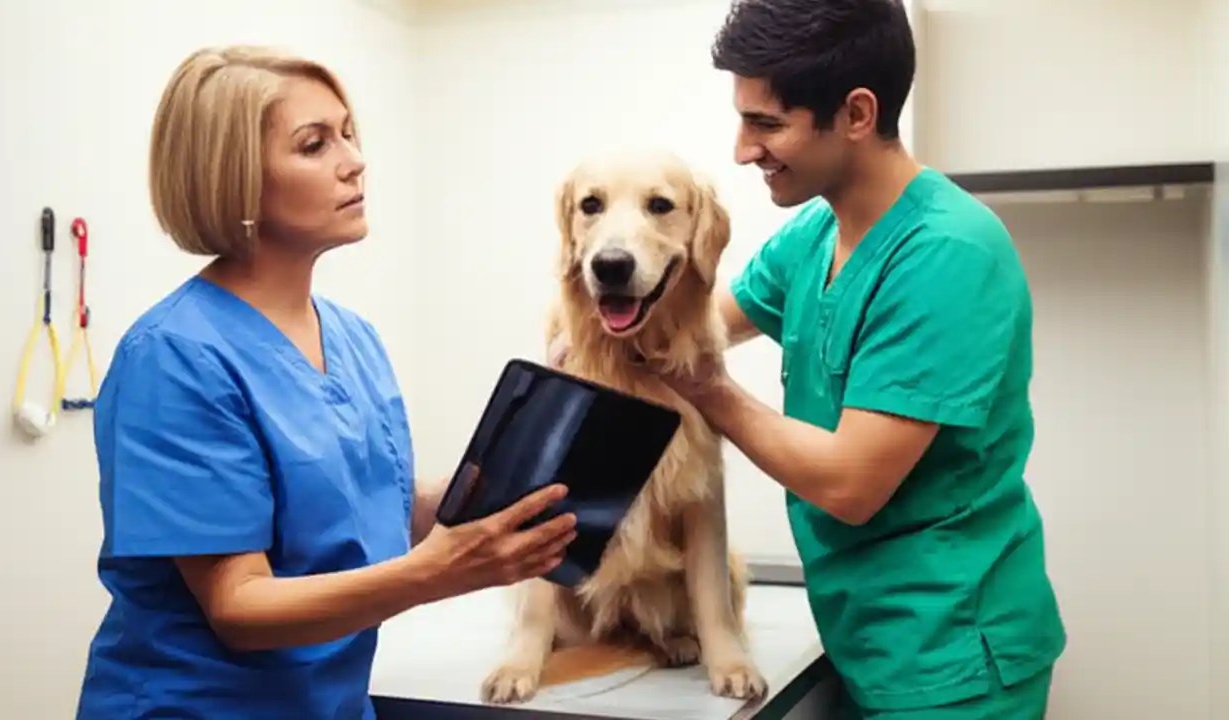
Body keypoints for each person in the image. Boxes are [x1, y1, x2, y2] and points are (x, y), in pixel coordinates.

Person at [555, 1, 1065, 718]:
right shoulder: (816, 235)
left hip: (949, 654)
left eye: (766, 124)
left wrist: (706, 388)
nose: (741, 148)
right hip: (865, 632)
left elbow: (851, 483)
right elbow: (703, 323)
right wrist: (595, 326)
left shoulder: (946, 254)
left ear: (856, 114)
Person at [74, 45, 578, 719]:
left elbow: (367, 513)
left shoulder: (352, 338)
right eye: (314, 145)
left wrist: (504, 485)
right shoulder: (174, 357)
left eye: (348, 133)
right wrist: (438, 570)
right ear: (235, 178)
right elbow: (238, 605)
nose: (354, 160)